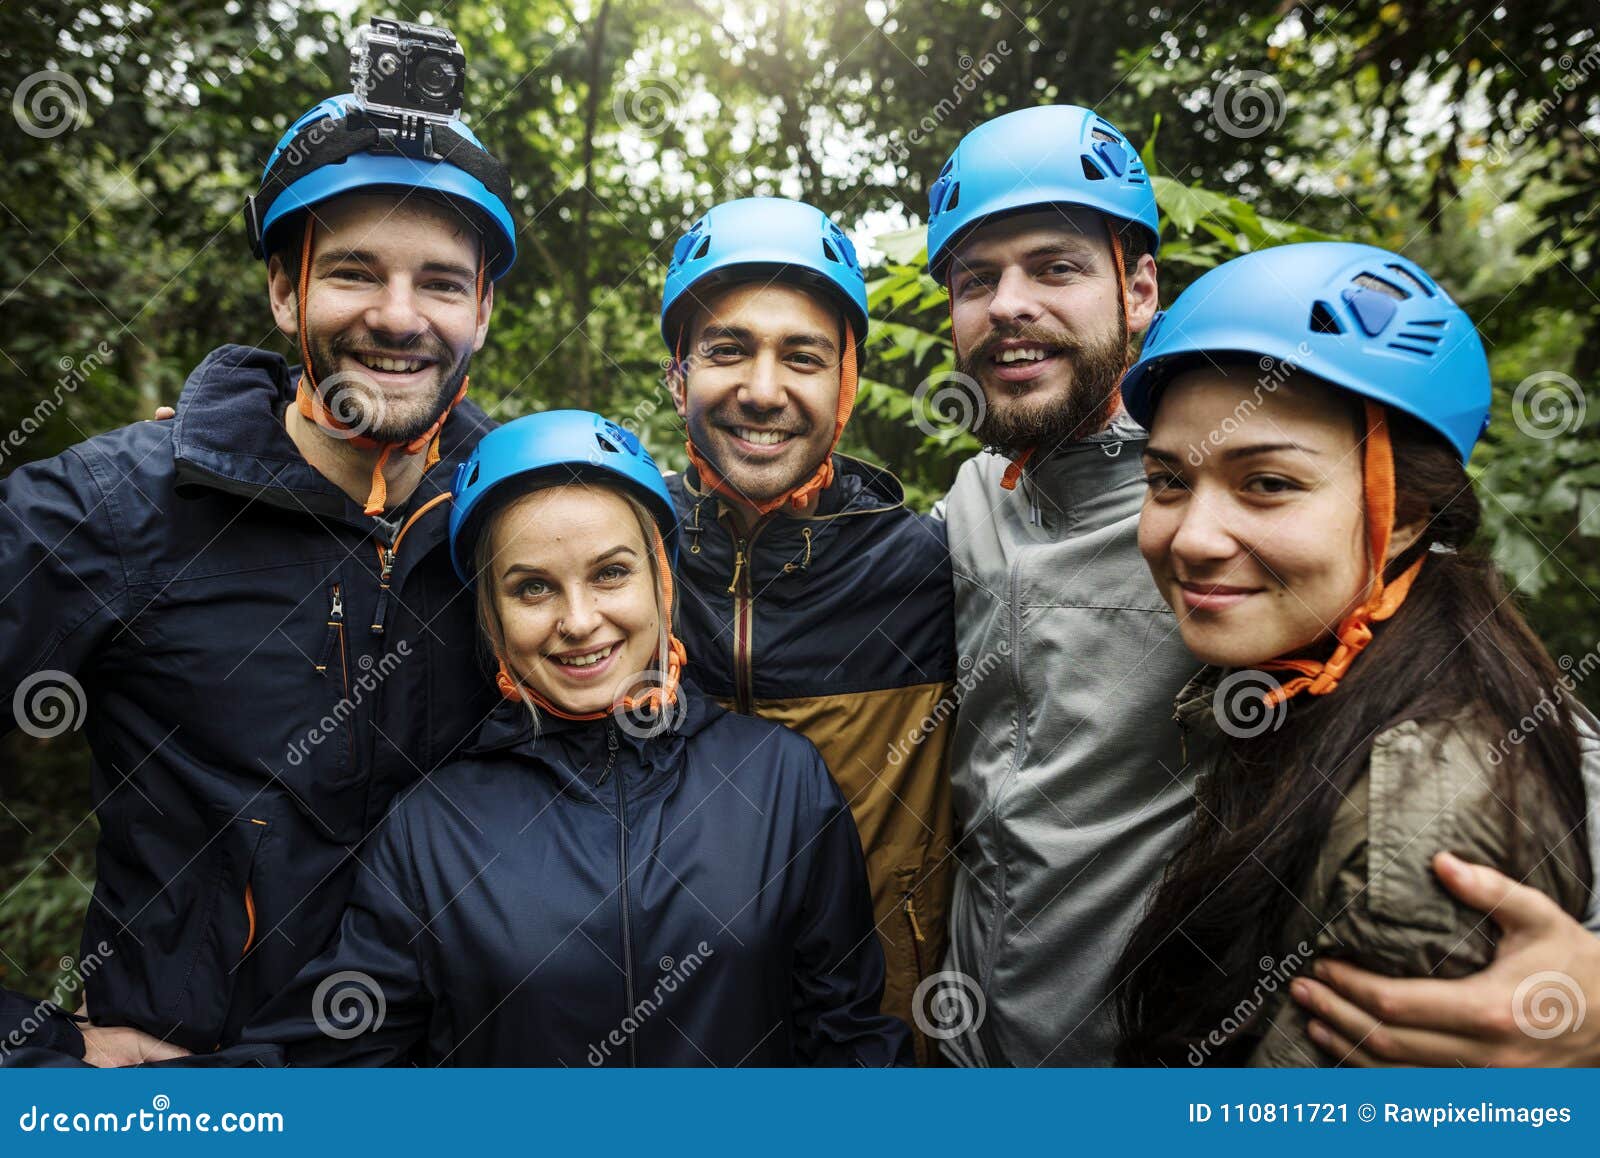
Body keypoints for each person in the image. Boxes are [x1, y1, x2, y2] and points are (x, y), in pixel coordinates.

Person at [929, 104, 1600, 1066]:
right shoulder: (968, 506)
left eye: (1057, 266)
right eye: (974, 279)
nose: (1008, 305)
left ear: (1140, 288)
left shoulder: (1299, 544)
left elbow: (1519, 738)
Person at [0, 54, 518, 1065]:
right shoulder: (123, 505)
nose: (400, 315)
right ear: (286, 291)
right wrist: (35, 1054)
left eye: (441, 282)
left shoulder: (517, 523)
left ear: (482, 312)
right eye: (357, 271)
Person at [241, 411, 911, 1066]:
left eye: (611, 573)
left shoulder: (780, 780)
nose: (580, 621)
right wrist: (153, 1105)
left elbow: (847, 1040)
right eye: (532, 588)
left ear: (662, 582)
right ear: (492, 618)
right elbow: (332, 1061)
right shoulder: (430, 830)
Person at [1114, 242, 1599, 1066]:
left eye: (1267, 482)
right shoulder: (1314, 683)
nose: (1192, 538)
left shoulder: (1421, 812)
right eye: (1168, 482)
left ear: (1406, 512)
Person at [659, 197, 956, 1061]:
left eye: (802, 357)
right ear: (679, 378)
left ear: (847, 383)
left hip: (883, 1041)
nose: (761, 389)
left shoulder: (938, 567)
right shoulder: (620, 560)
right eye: (727, 350)